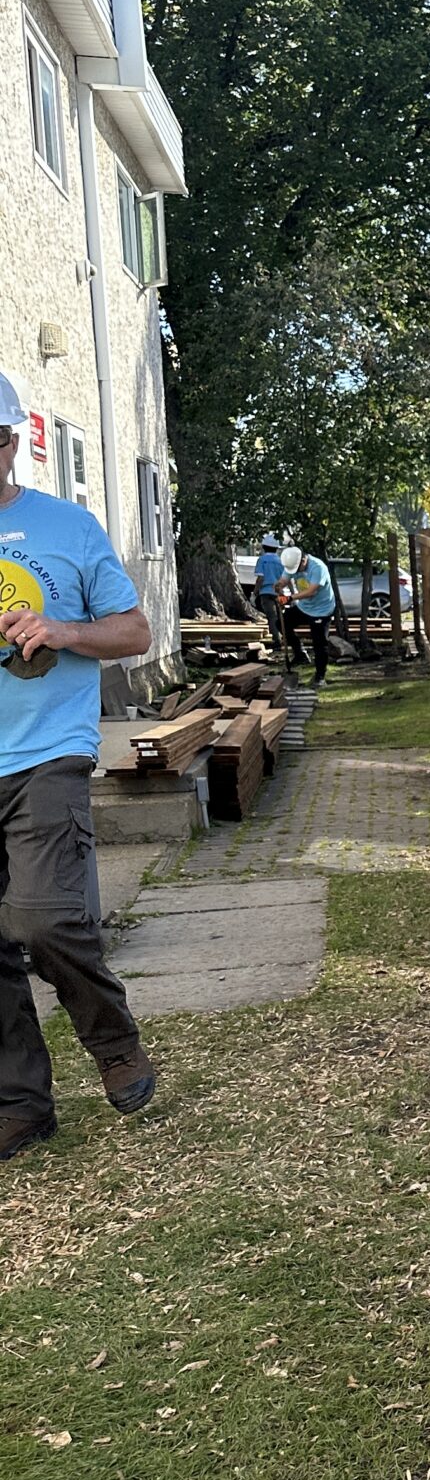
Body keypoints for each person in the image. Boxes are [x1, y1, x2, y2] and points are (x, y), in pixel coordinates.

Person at [0, 370, 157, 1160]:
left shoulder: (67, 527)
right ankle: (20, 1103)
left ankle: (113, 1039)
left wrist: (59, 632)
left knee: (45, 918)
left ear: (10, 446)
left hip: (44, 751)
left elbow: (135, 632)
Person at [276, 539, 336, 684]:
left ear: (303, 560)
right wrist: (278, 586)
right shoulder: (292, 564)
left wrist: (289, 598)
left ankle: (320, 676)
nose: (295, 573)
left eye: (297, 570)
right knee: (282, 623)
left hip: (322, 610)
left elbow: (311, 591)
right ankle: (300, 653)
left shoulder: (318, 568)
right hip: (305, 607)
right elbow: (284, 580)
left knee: (319, 643)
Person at [254, 534, 285, 651]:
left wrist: (255, 593)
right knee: (281, 616)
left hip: (266, 593)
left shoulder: (262, 560)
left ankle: (277, 641)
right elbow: (286, 578)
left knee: (272, 617)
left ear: (264, 547)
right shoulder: (280, 561)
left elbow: (260, 579)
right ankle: (284, 640)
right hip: (279, 592)